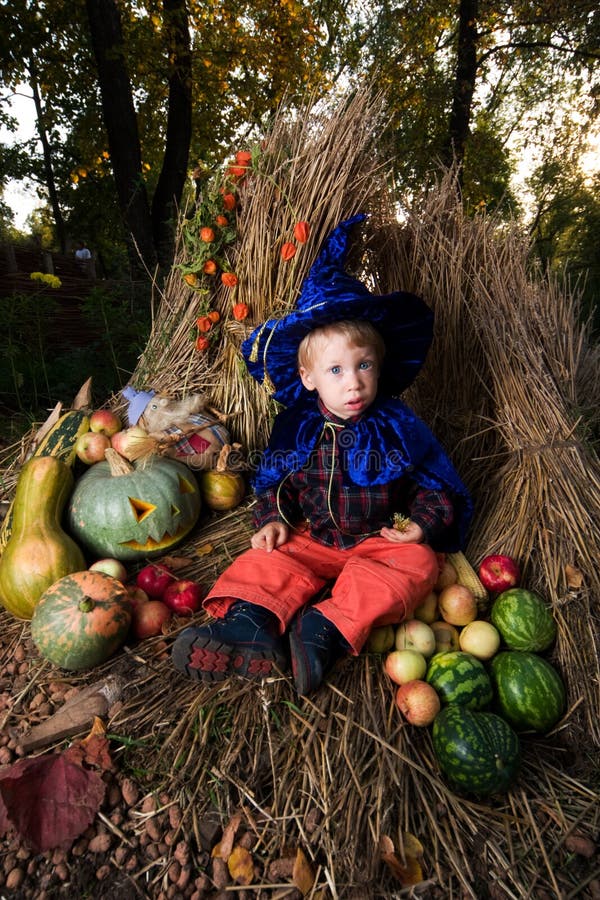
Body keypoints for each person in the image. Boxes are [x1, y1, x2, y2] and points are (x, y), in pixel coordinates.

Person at [172, 215, 473, 696]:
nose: (353, 381)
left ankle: (324, 629)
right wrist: (271, 518)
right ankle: (251, 622)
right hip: (313, 535)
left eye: (364, 365)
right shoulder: (299, 425)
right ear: (309, 378)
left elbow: (432, 483)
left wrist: (422, 523)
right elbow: (277, 482)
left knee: (419, 563)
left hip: (376, 539)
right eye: (335, 369)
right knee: (267, 555)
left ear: (379, 367)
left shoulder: (396, 423)